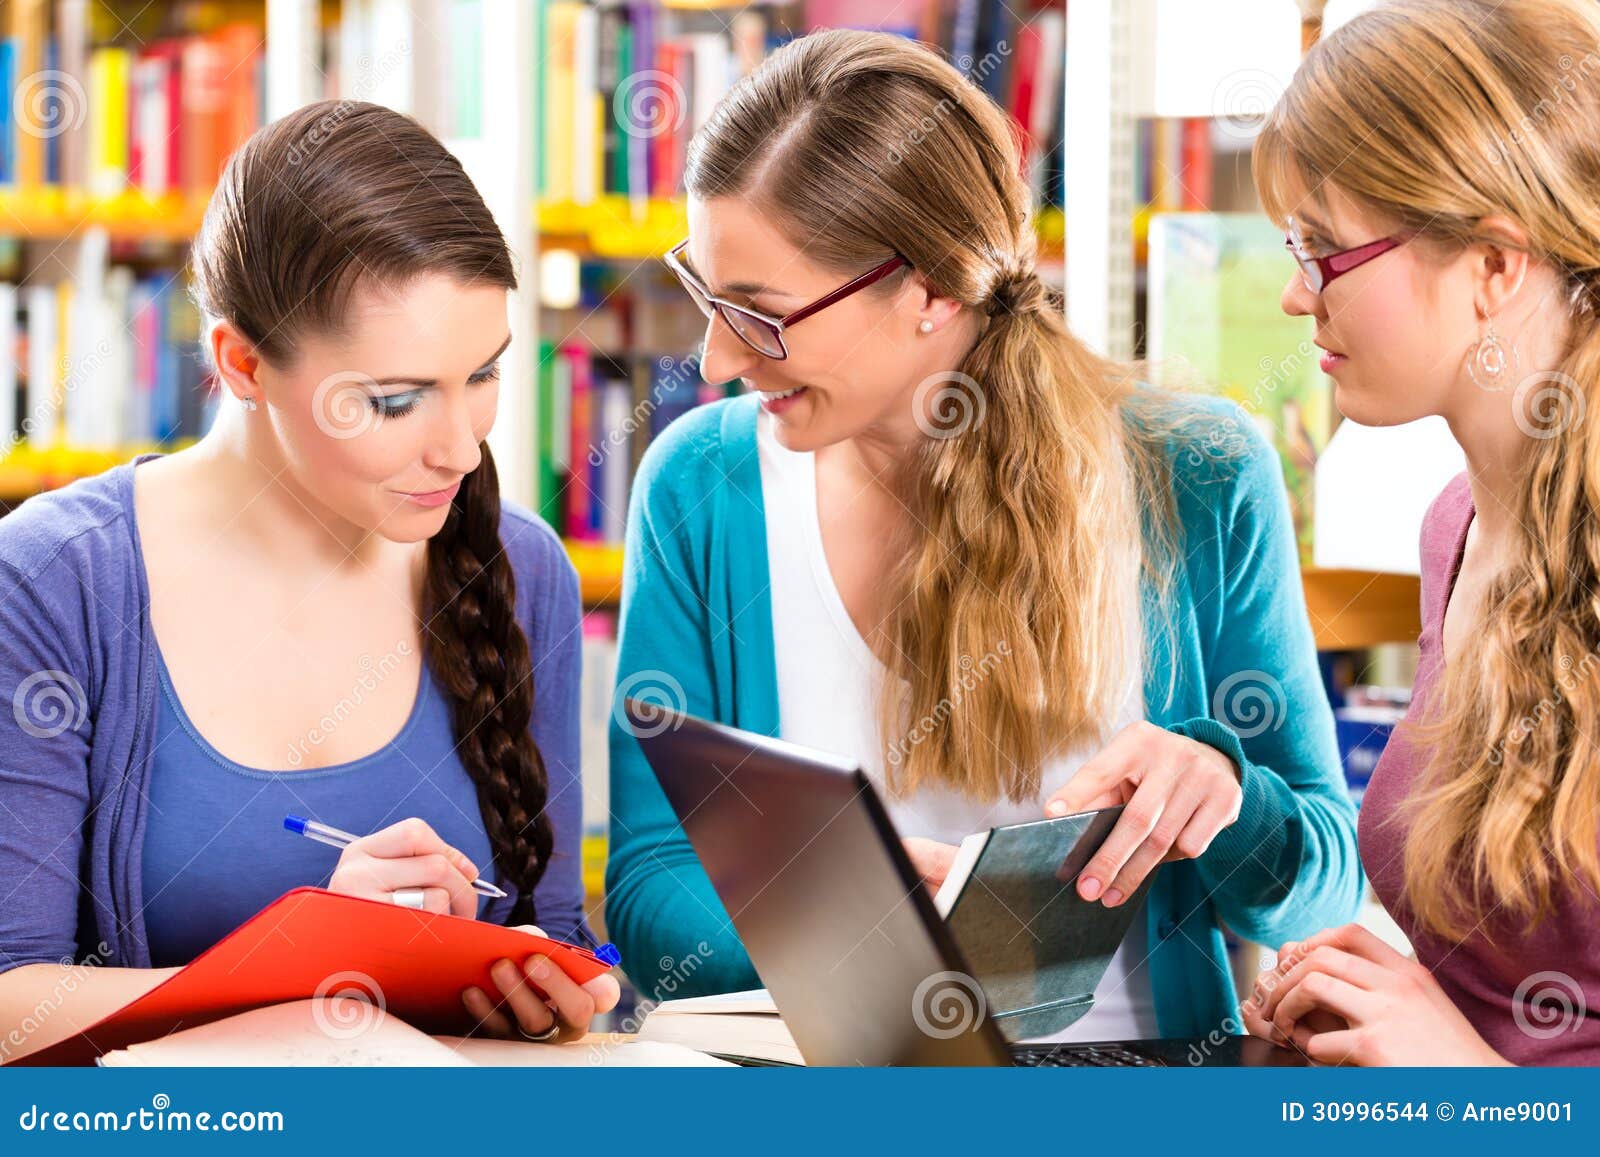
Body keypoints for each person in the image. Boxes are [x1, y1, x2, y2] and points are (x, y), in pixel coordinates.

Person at [605, 28, 1361, 1044]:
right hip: (820, 1081)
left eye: (761, 315)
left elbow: (1322, 883)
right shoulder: (701, 486)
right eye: (706, 294)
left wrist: (1226, 797)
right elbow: (652, 886)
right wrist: (847, 931)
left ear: (929, 288)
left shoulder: (1195, 471)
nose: (714, 359)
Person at [0, 101, 617, 1060]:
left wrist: (515, 978)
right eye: (395, 399)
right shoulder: (54, 582)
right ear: (242, 364)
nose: (461, 447)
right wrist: (312, 965)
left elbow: (561, 945)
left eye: (484, 374)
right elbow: (11, 1005)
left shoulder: (520, 566)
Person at [1241, 0, 1600, 1065]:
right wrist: (1371, 993)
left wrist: (1465, 1073)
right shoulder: (1456, 526)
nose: (1294, 296)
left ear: (1494, 262)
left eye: (1324, 251)